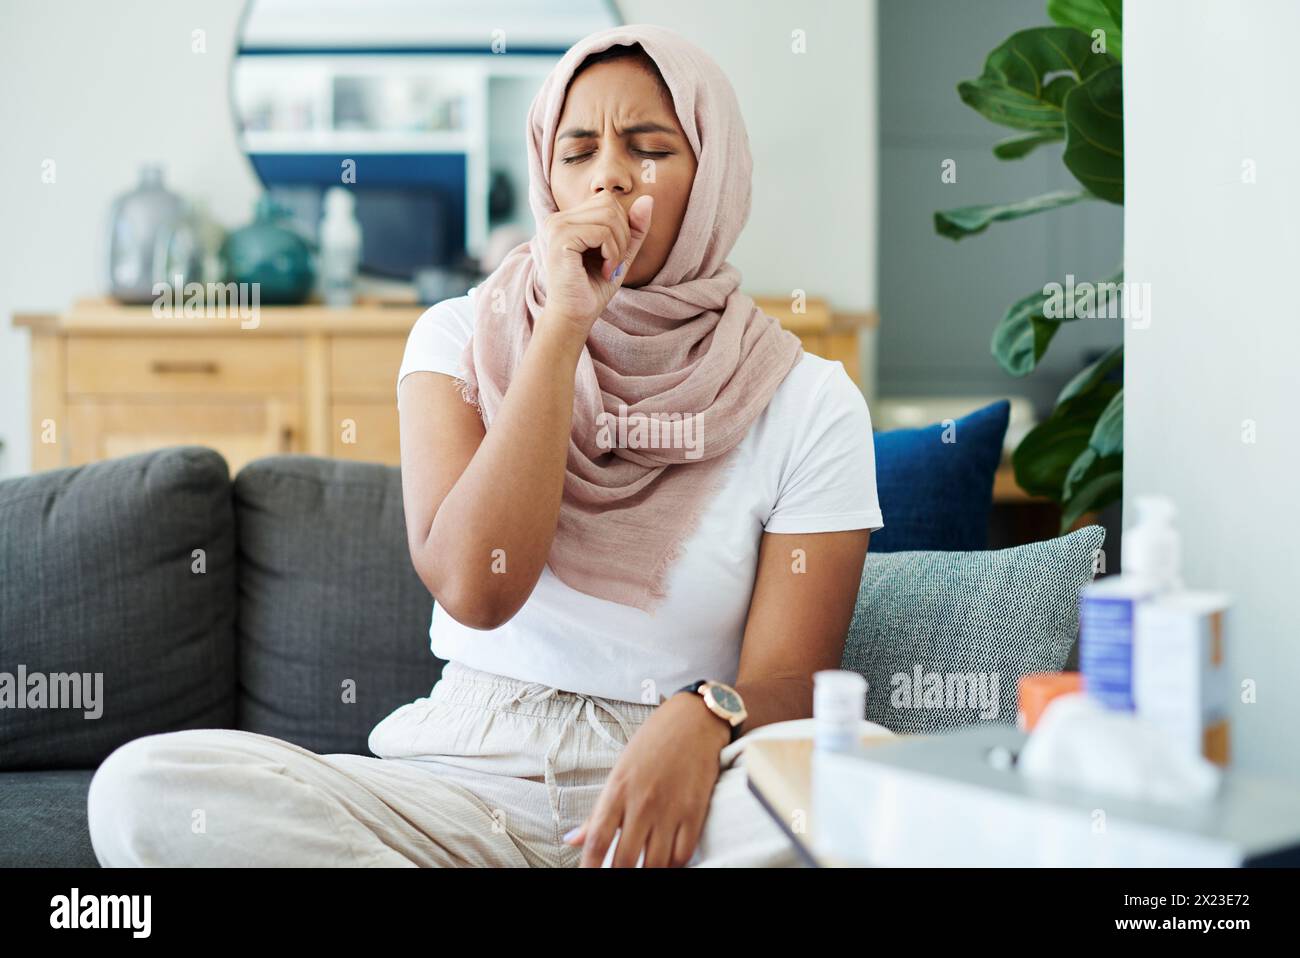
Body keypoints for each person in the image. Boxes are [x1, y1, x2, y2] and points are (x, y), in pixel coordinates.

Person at [87, 23, 883, 869]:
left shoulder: (808, 398)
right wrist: (562, 331)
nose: (609, 173)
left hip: (675, 793)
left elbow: (796, 683)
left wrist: (704, 714)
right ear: (547, 175)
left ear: (715, 175)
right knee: (146, 787)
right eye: (577, 151)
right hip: (458, 790)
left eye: (648, 148)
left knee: (855, 780)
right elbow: (479, 585)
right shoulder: (458, 337)